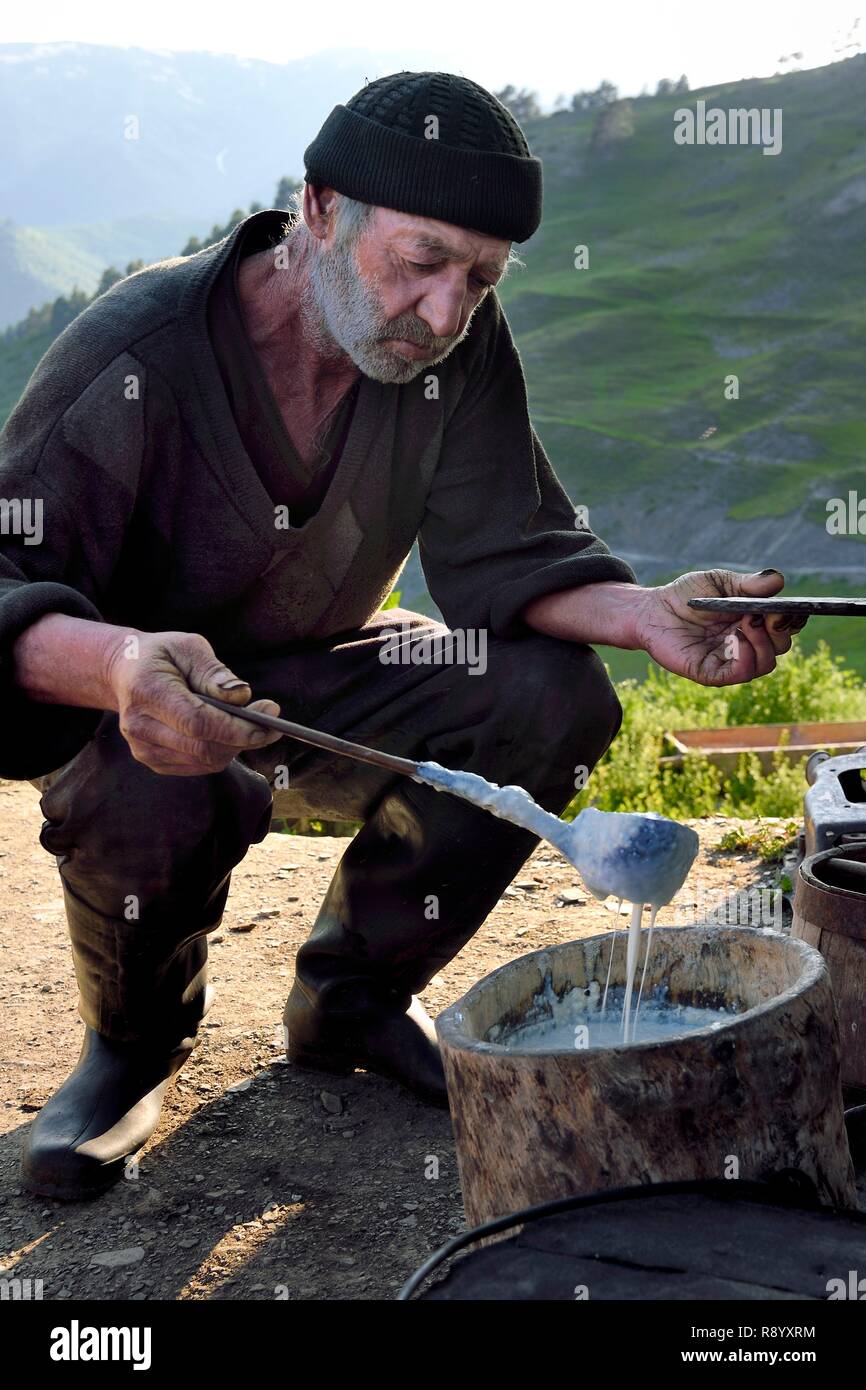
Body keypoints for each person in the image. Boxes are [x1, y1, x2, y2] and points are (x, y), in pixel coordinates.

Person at [0, 71, 805, 1199]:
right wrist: (122, 664)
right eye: (422, 262)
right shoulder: (136, 357)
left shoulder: (453, 351)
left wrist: (648, 617)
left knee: (553, 699)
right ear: (319, 210)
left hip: (326, 673)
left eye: (478, 279)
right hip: (142, 702)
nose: (445, 313)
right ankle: (132, 1044)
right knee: (154, 778)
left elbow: (508, 550)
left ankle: (352, 998)